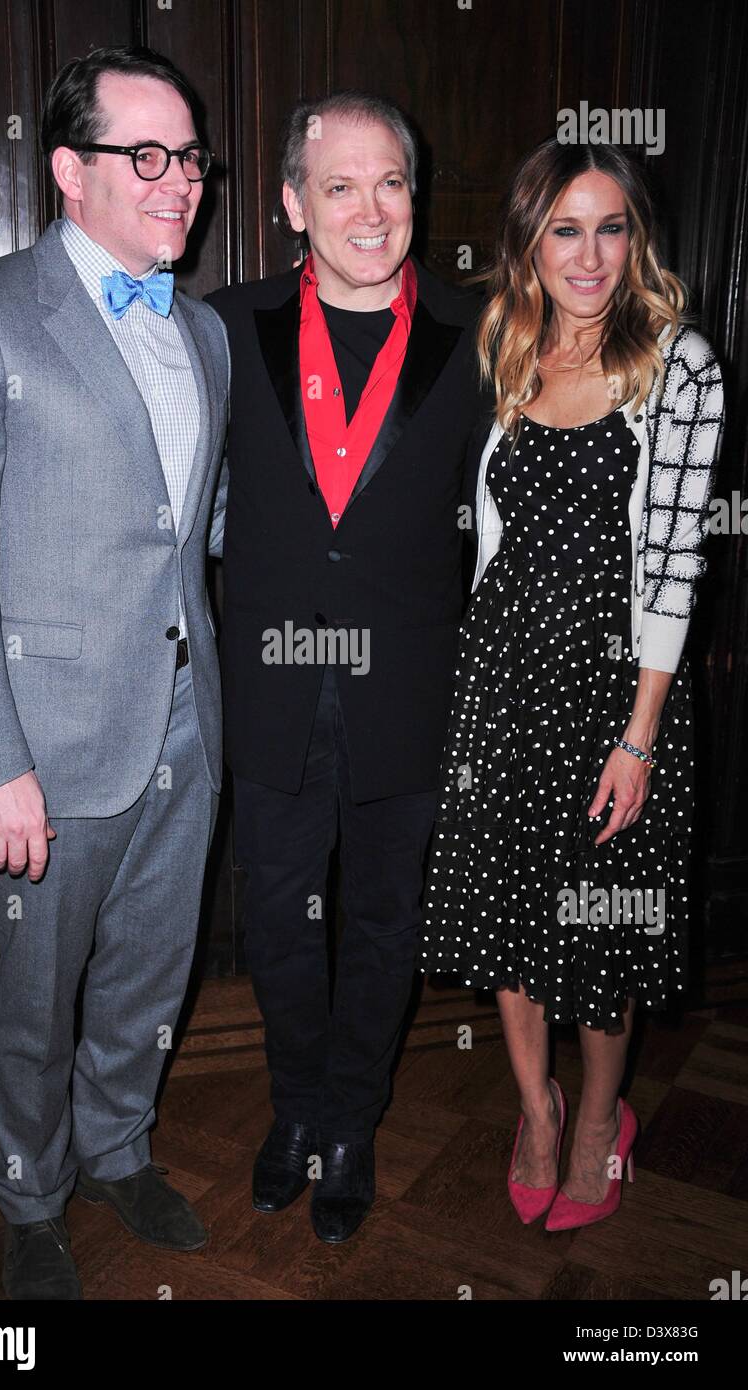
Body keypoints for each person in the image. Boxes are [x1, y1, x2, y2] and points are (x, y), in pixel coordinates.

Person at [0, 45, 229, 1299]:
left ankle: (118, 1147)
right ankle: (29, 1193)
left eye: (189, 155)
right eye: (146, 154)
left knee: (151, 967)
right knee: (37, 993)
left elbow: (192, 525)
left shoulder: (202, 331)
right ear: (70, 171)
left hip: (187, 727)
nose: (178, 179)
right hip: (44, 742)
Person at [421, 136, 724, 1231]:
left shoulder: (676, 364)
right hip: (503, 676)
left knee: (601, 924)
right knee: (511, 918)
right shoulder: (504, 344)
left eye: (611, 226)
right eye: (564, 228)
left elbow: (678, 558)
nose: (589, 254)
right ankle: (535, 1113)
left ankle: (599, 1116)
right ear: (529, 242)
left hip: (617, 694)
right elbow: (485, 534)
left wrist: (641, 735)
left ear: (635, 239)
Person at [205, 91, 488, 1242]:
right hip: (269, 688)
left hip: (409, 696)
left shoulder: (485, 337)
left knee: (380, 921)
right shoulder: (222, 325)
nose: (371, 210)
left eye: (392, 183)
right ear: (291, 203)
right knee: (277, 921)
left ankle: (354, 1123)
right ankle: (295, 1112)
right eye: (339, 185)